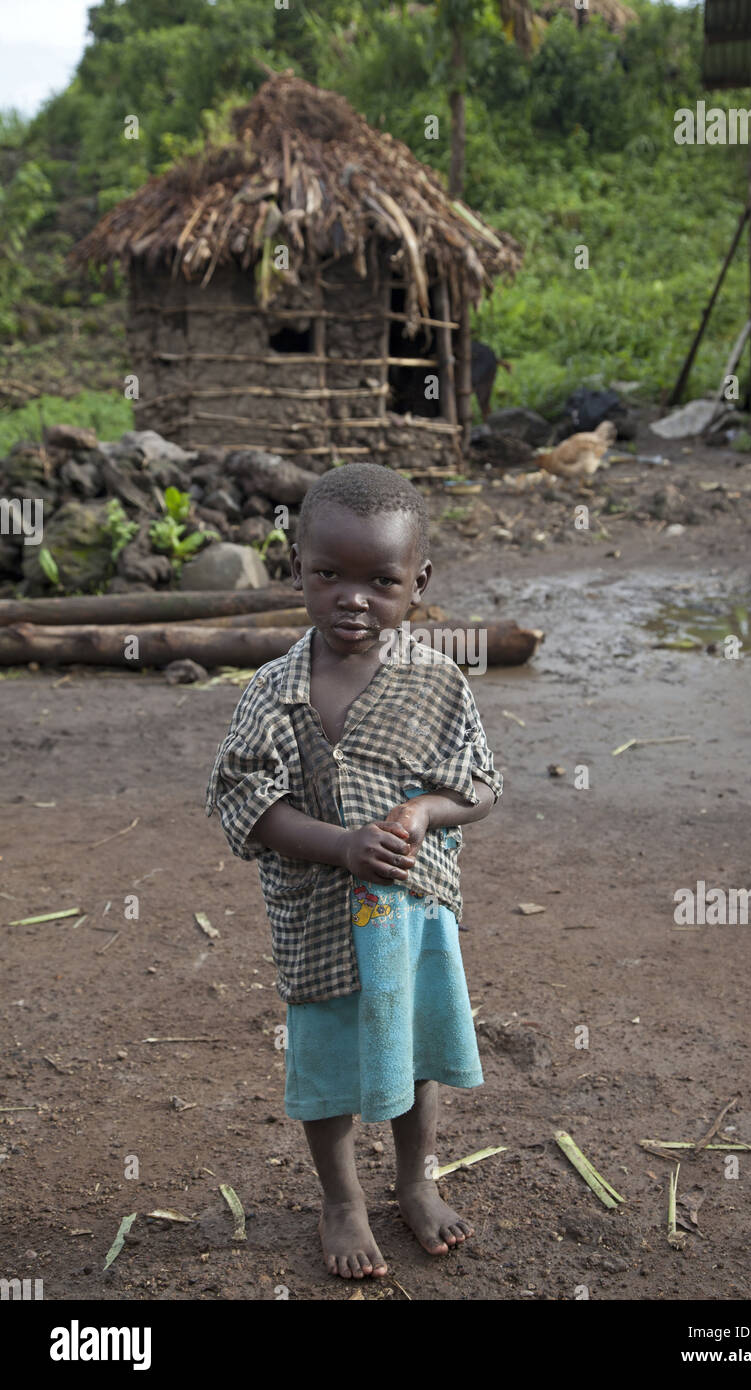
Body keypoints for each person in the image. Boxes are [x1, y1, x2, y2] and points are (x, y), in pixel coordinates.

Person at [205, 462, 504, 1280]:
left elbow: (477, 783)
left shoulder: (436, 682)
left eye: (382, 580)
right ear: (296, 568)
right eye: (329, 574)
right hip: (318, 920)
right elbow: (242, 802)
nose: (353, 598)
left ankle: (416, 1181)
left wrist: (422, 815)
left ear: (420, 582)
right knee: (328, 1061)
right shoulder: (273, 692)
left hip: (413, 917)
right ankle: (341, 1201)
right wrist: (340, 845)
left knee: (415, 1050)